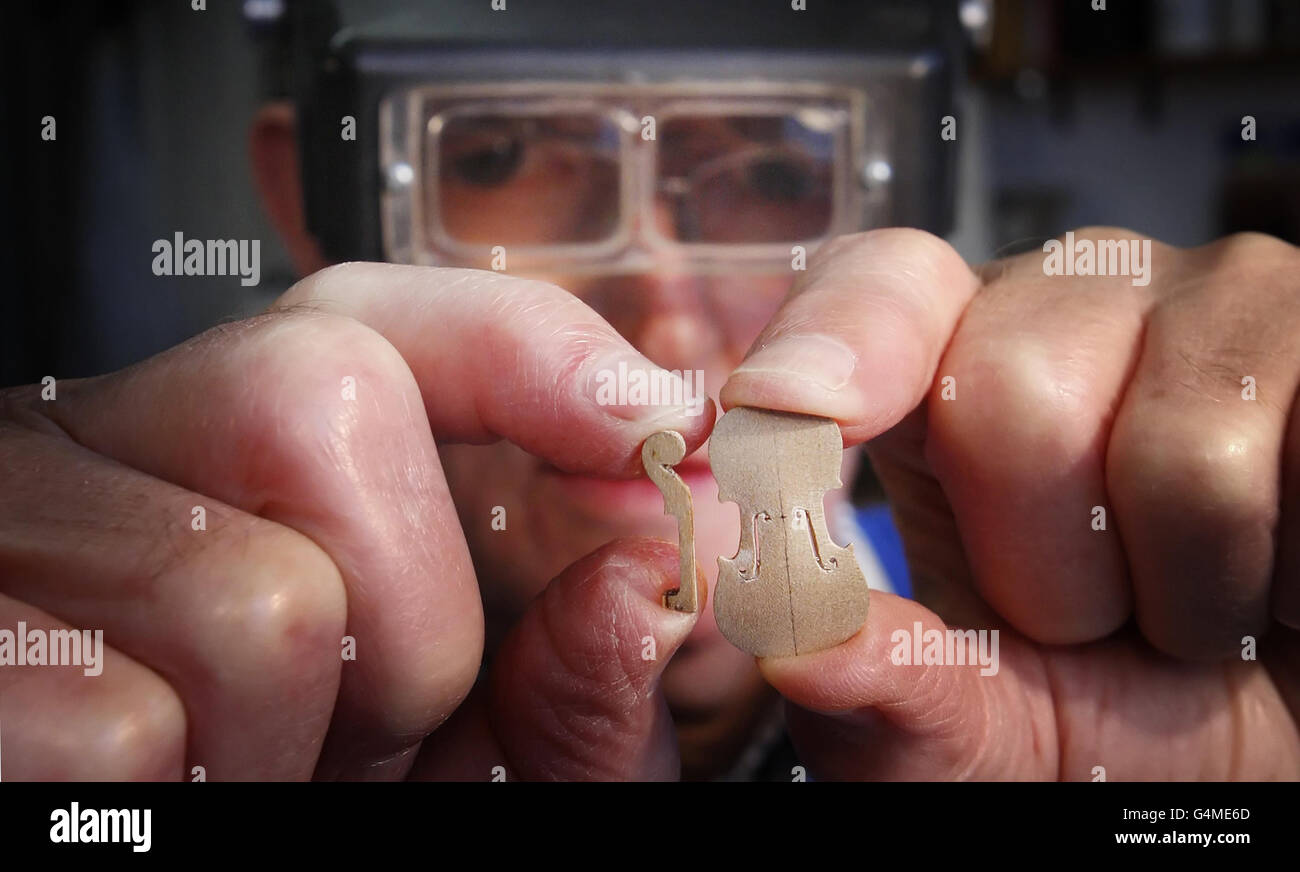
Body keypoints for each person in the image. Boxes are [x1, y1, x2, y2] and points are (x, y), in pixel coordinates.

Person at [3, 6, 1300, 782]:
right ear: (306, 199)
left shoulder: (1062, 643)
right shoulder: (159, 699)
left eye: (777, 171)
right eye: (505, 156)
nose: (667, 319)